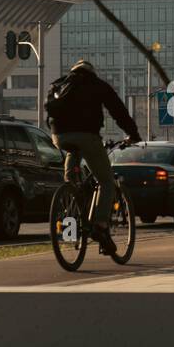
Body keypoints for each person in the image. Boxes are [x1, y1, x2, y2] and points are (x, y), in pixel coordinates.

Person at [46, 59, 142, 254]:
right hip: (87, 135)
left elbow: (49, 108)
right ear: (92, 72)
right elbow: (118, 112)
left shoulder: (59, 83)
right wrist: (133, 134)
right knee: (106, 181)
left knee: (72, 176)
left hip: (60, 136)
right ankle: (100, 225)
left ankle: (72, 205)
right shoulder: (97, 85)